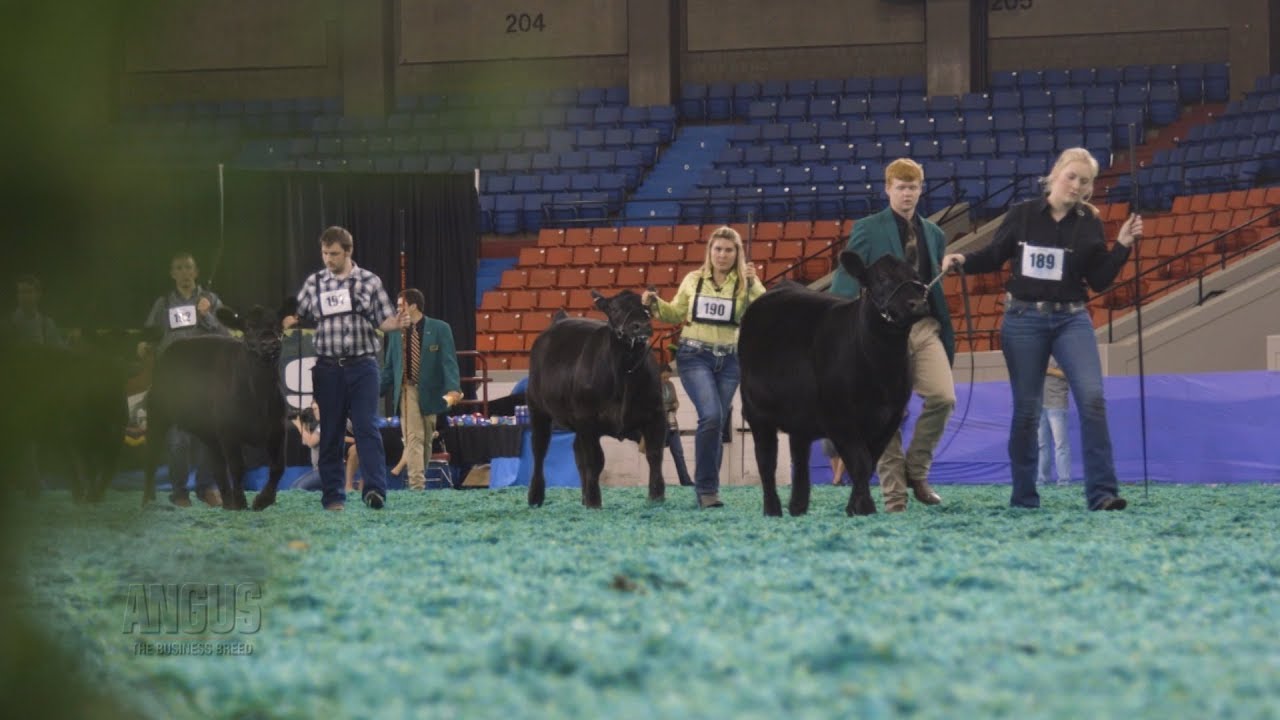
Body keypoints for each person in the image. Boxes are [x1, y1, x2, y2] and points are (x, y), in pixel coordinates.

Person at [942, 147, 1142, 511]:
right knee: (1027, 411)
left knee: (1093, 400)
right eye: (1071, 176)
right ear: (1055, 174)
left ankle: (1103, 494)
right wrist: (963, 259)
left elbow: (1099, 279)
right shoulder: (1021, 215)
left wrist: (1122, 247)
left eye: (1084, 181)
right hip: (1023, 319)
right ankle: (1024, 497)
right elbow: (994, 255)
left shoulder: (1089, 223)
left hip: (1071, 318)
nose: (1076, 185)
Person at [829, 157, 956, 513]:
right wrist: (836, 322)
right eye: (900, 187)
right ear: (887, 189)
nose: (907, 194)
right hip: (881, 334)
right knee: (885, 414)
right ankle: (894, 497)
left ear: (921, 189)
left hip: (923, 327)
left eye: (913, 187)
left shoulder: (935, 234)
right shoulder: (868, 229)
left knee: (943, 398)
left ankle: (917, 470)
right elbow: (847, 278)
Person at [642, 226, 765, 508]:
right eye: (718, 249)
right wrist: (654, 304)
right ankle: (707, 490)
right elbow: (675, 313)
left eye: (729, 250)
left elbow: (764, 308)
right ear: (710, 252)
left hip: (731, 360)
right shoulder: (693, 279)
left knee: (716, 422)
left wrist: (754, 281)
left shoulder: (745, 283)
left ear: (737, 253)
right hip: (694, 356)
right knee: (710, 416)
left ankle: (708, 489)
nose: (722, 255)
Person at [283, 226, 401, 512]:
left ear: (349, 251)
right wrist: (288, 319)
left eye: (334, 254)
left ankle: (375, 491)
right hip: (328, 368)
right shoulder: (314, 283)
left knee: (367, 427)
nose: (328, 259)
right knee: (331, 432)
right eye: (324, 253)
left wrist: (397, 324)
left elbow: (384, 320)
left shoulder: (369, 281)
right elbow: (297, 313)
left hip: (363, 366)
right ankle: (333, 497)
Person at [140, 252, 227, 508]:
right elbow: (150, 335)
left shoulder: (211, 300)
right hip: (174, 382)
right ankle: (179, 491)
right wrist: (143, 345)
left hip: (204, 380)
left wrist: (207, 315)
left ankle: (206, 487)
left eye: (189, 267)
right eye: (179, 268)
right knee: (177, 440)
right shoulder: (163, 304)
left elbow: (226, 335)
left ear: (196, 272)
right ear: (172, 274)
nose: (185, 273)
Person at [379, 288, 462, 491]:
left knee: (425, 439)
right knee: (414, 437)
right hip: (406, 390)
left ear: (414, 306)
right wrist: (373, 391)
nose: (397, 310)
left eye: (401, 306)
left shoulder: (441, 328)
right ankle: (417, 487)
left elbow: (449, 361)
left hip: (432, 392)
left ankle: (419, 480)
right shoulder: (396, 332)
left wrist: (453, 388)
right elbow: (389, 368)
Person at [659, 363, 694, 487]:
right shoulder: (652, 386)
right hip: (659, 425)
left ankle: (686, 481)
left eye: (668, 377)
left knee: (678, 452)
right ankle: (657, 481)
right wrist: (667, 407)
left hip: (672, 422)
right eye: (664, 377)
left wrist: (676, 405)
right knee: (657, 455)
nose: (666, 380)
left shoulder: (670, 385)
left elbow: (675, 401)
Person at [1038, 360, 1072, 486]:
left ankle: (1064, 480)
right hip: (1039, 403)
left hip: (1057, 403)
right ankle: (1042, 479)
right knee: (1042, 445)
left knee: (1060, 444)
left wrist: (1049, 370)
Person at [12, 275, 64, 347]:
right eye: (21, 292)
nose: (24, 296)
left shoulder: (47, 324)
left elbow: (60, 349)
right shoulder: (8, 323)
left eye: (29, 292)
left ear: (38, 294)